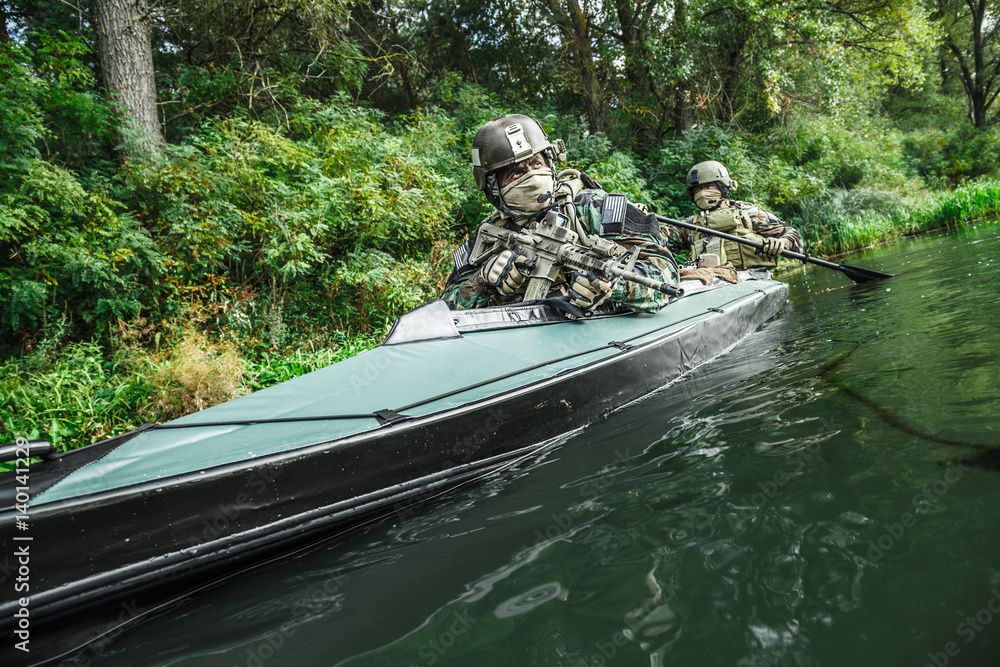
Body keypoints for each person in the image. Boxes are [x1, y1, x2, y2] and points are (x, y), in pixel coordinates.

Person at [442, 114, 679, 314]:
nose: (532, 177)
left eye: (536, 164)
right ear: (493, 187)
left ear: (551, 163)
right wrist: (483, 280)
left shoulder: (594, 208)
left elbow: (665, 272)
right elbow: (448, 306)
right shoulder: (488, 234)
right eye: (515, 173)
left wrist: (612, 287)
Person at [663, 160, 802, 271]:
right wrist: (643, 218)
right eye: (698, 189)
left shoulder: (749, 214)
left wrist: (782, 243)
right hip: (713, 284)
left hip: (752, 278)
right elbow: (658, 235)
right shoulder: (690, 225)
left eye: (709, 187)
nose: (702, 193)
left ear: (722, 187)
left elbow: (794, 236)